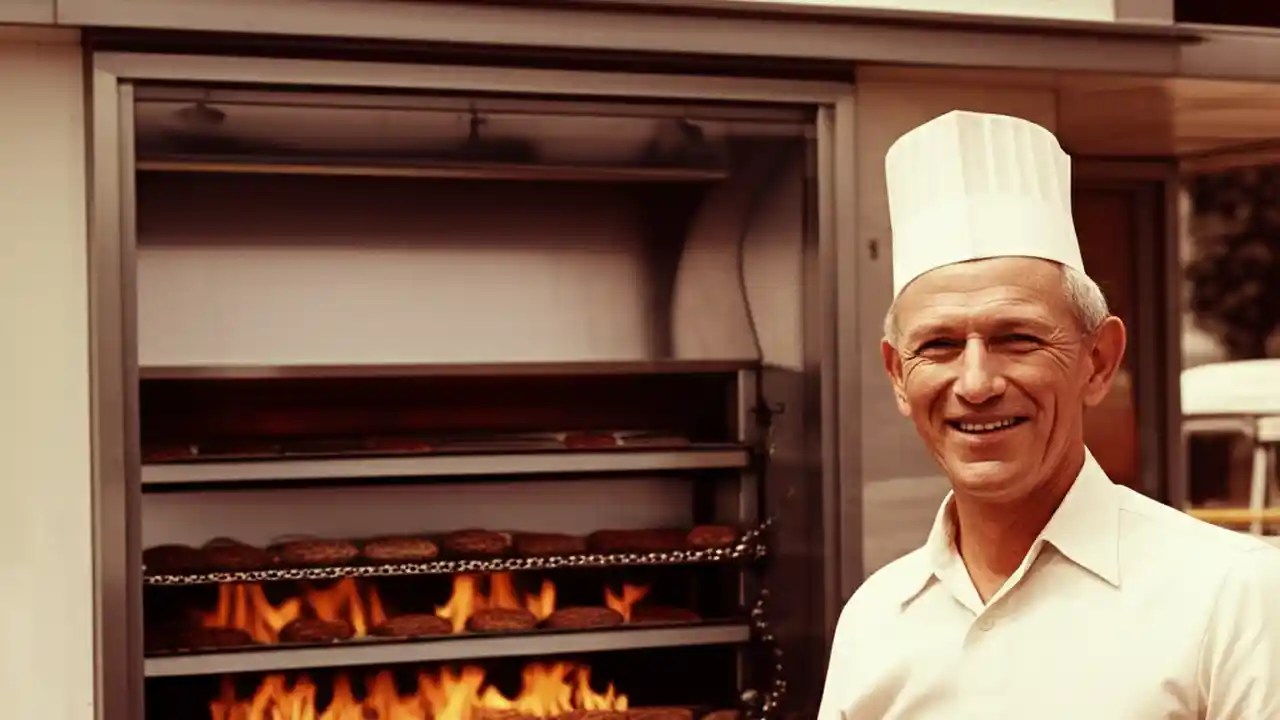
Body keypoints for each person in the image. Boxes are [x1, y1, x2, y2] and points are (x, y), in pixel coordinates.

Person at [817, 110, 1280, 719]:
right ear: (899, 376)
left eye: (1018, 338)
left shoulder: (1234, 594)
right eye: (939, 346)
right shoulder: (875, 618)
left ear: (1098, 361)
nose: (977, 383)